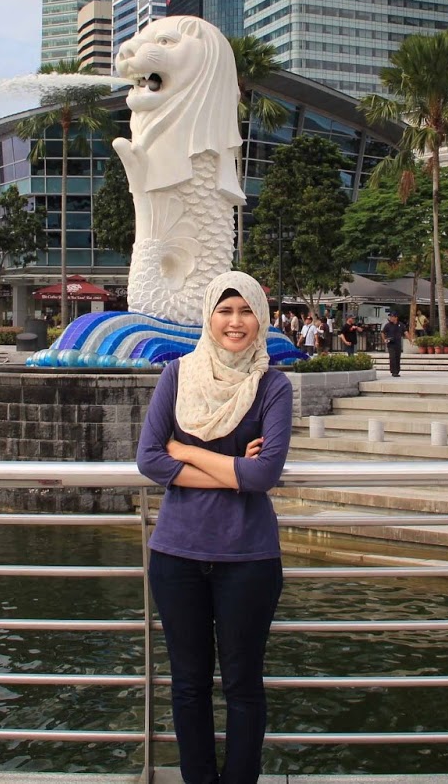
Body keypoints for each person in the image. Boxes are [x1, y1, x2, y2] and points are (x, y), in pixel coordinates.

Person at [134, 271, 292, 784]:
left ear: (261, 318)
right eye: (225, 310)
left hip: (248, 557)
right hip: (177, 555)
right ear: (209, 316)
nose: (236, 321)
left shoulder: (272, 384)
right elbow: (150, 459)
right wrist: (233, 474)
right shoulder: (178, 375)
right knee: (188, 684)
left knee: (243, 685)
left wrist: (190, 451)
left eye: (246, 310)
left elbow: (264, 474)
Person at [383, 312, 407, 377]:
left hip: (398, 344)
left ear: (396, 317)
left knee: (397, 357)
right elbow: (382, 332)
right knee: (392, 357)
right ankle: (393, 371)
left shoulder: (400, 324)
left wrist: (410, 339)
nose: (390, 318)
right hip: (391, 344)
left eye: (392, 316)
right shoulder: (388, 325)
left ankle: (397, 371)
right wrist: (384, 339)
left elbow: (405, 332)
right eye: (390, 317)